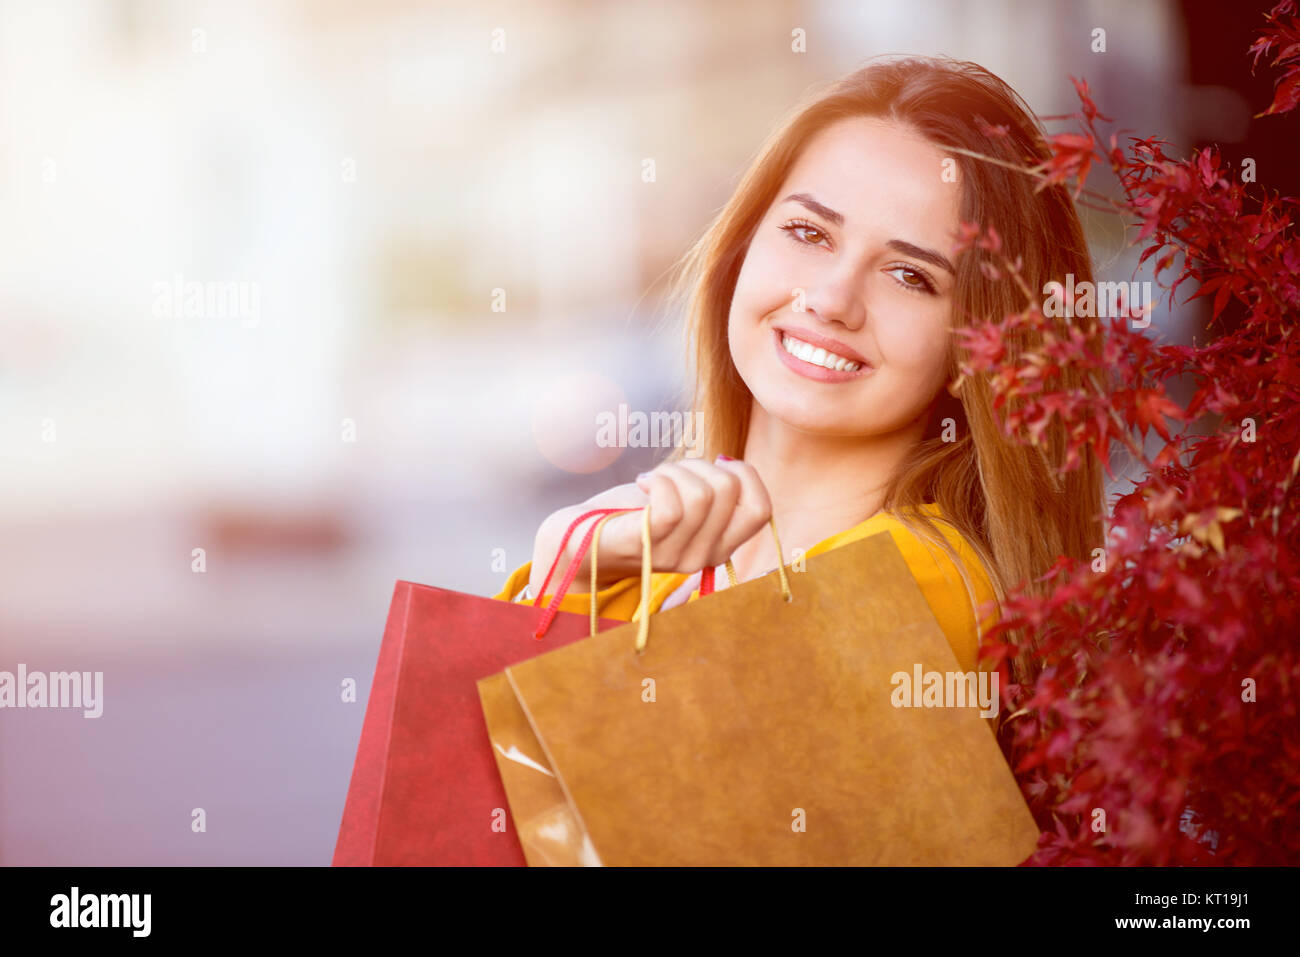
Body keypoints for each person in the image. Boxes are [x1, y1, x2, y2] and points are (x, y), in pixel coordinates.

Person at [494, 55, 1106, 725]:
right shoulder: (653, 565)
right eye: (809, 233)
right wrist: (572, 574)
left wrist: (568, 578)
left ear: (979, 350)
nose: (832, 298)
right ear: (742, 251)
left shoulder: (919, 583)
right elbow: (497, 793)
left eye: (909, 275)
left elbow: (634, 800)